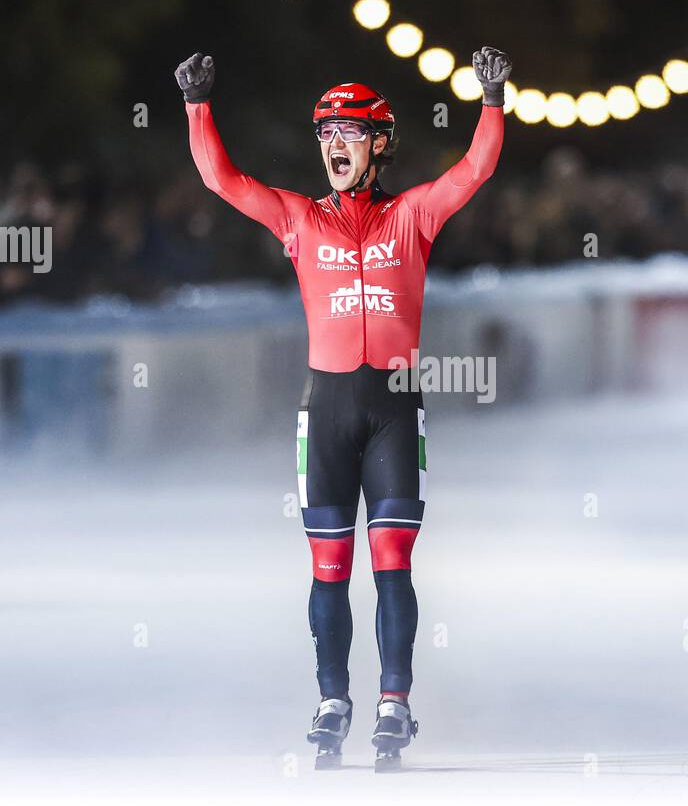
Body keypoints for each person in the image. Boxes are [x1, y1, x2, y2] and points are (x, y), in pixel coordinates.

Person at [176, 46, 511, 768]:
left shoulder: (414, 216)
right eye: (325, 134)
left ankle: (395, 701)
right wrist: (197, 104)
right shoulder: (299, 219)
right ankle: (333, 698)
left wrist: (491, 99)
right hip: (325, 409)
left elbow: (475, 170)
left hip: (393, 409)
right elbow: (219, 177)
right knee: (328, 566)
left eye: (350, 134)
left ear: (380, 144)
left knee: (392, 559)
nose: (334, 146)